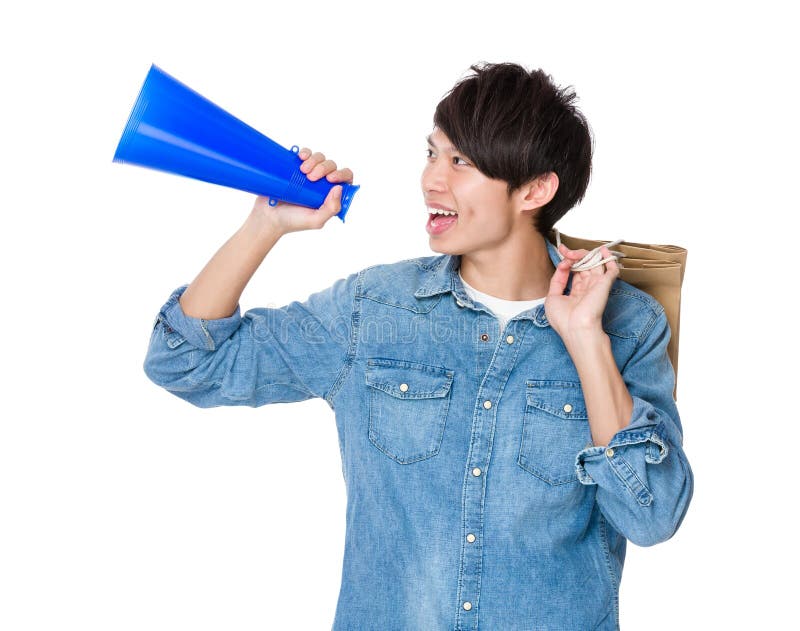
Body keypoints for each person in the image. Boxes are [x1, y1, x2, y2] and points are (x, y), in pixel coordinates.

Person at [144, 62, 693, 630]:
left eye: (462, 162)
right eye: (432, 153)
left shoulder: (627, 325)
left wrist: (585, 339)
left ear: (535, 189)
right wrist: (266, 225)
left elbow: (651, 514)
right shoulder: (374, 310)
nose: (433, 179)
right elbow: (184, 361)